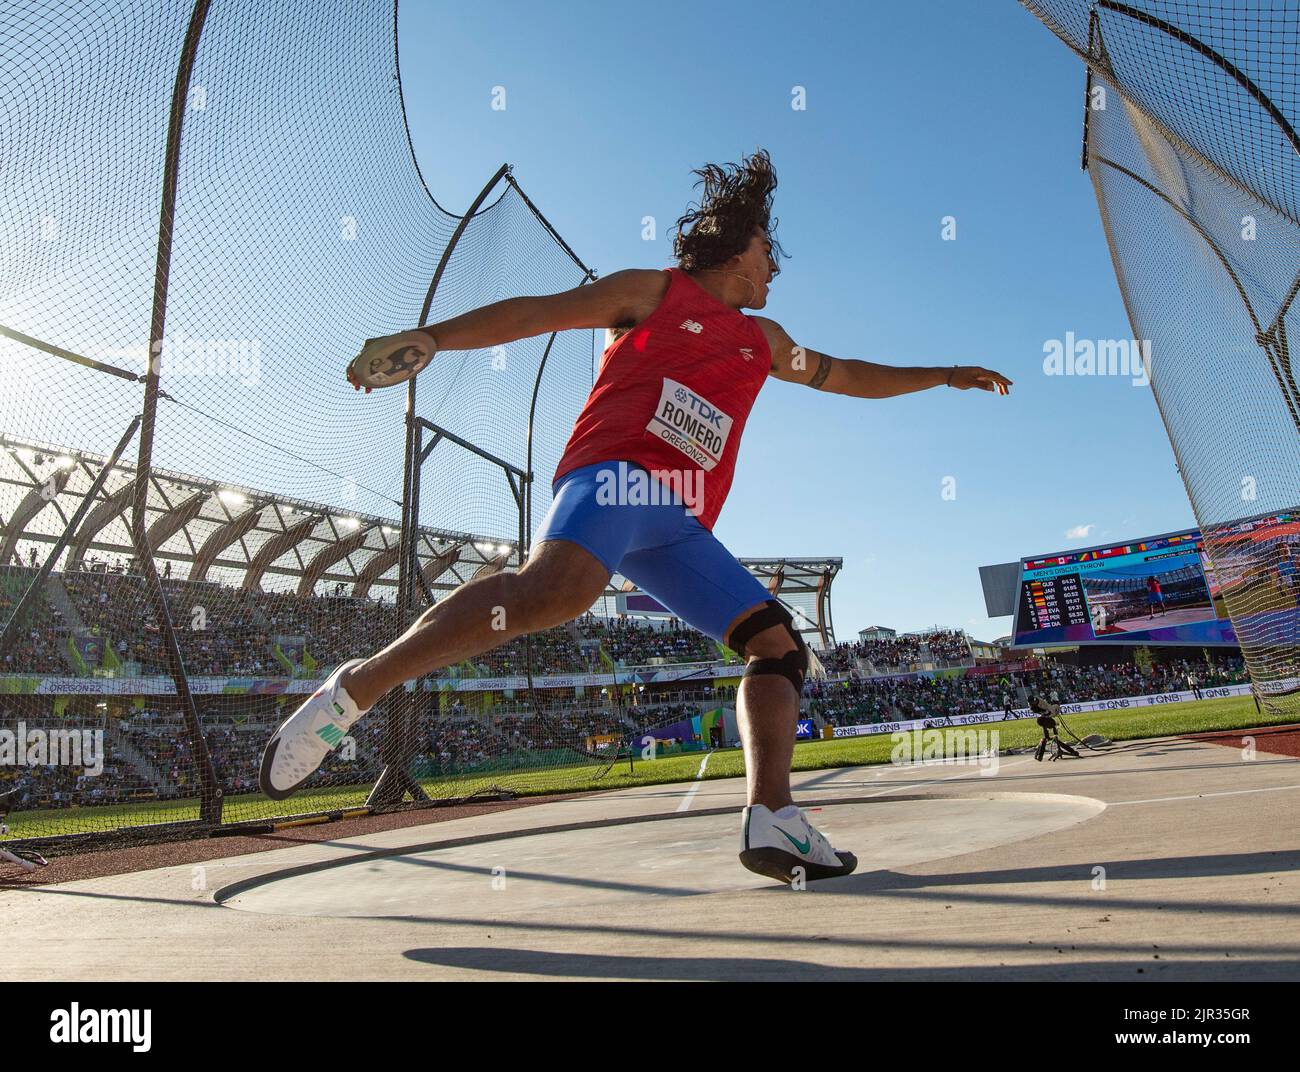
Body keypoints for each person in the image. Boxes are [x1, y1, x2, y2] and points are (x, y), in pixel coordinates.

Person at [258, 148, 1012, 884]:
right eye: (766, 251)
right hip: (615, 479)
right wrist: (433, 338)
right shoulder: (654, 293)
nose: (775, 268)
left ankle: (774, 816)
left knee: (779, 649)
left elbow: (845, 374)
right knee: (551, 595)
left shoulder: (766, 342)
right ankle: (356, 689)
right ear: (733, 250)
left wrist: (942, 375)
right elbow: (538, 314)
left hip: (679, 523)